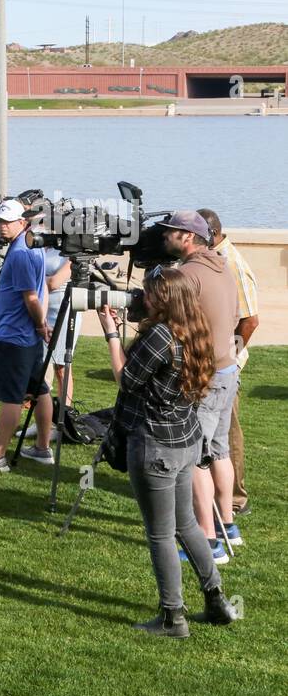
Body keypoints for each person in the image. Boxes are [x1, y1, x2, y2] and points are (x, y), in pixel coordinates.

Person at [96, 268, 236, 636]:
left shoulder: (160, 334)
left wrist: (111, 332)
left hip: (156, 445)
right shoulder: (196, 328)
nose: (143, 297)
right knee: (186, 524)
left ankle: (172, 617)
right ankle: (216, 599)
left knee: (160, 534)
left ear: (163, 299)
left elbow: (125, 379)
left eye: (148, 293)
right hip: (186, 439)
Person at [163, 210, 241, 561]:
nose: (165, 237)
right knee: (219, 450)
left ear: (188, 237)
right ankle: (229, 526)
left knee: (193, 458)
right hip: (228, 369)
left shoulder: (187, 274)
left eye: (171, 232)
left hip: (205, 377)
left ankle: (209, 542)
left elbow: (171, 324)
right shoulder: (221, 265)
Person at [0, 199, 54, 471]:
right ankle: (42, 447)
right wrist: (40, 325)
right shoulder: (33, 246)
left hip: (16, 336)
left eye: (8, 222)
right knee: (39, 389)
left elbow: (31, 297)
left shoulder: (19, 254)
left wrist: (40, 324)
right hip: (27, 335)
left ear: (23, 221)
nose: (2, 227)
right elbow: (42, 291)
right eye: (1, 221)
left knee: (12, 397)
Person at [199, 208, 258, 518]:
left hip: (225, 366)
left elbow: (250, 321)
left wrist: (229, 356)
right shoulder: (213, 260)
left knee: (227, 433)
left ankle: (235, 499)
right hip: (216, 363)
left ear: (210, 235)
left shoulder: (231, 263)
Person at [42, 246, 80, 409]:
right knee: (40, 366)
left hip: (64, 312)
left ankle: (64, 416)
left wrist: (31, 281)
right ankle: (45, 416)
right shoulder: (42, 244)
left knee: (61, 367)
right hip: (42, 311)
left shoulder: (72, 248)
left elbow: (55, 282)